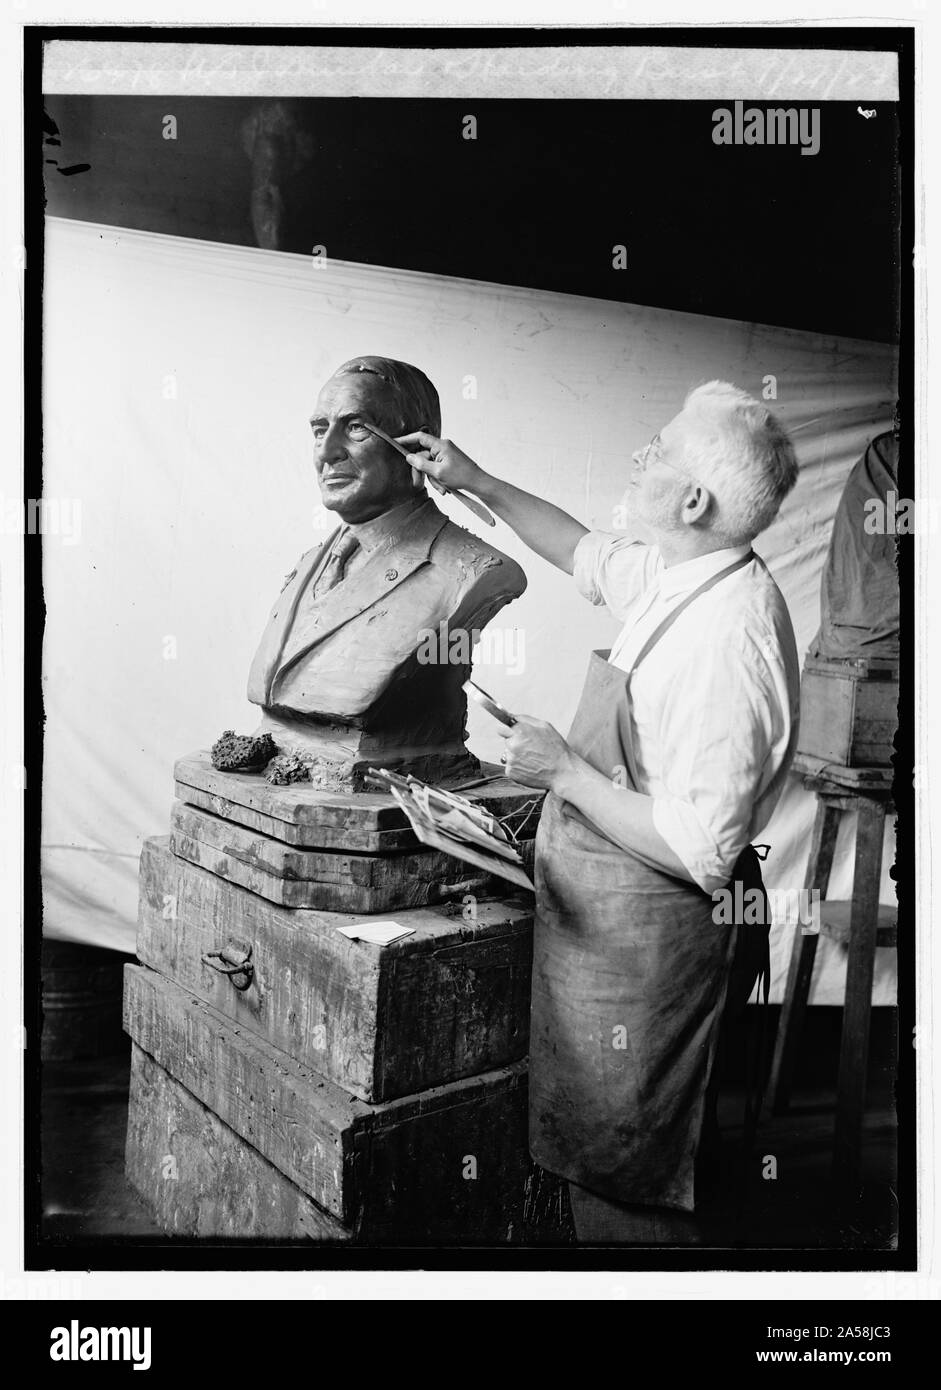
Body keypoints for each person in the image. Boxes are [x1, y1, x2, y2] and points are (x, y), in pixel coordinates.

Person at [399, 381, 801, 1243]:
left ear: (694, 500)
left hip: (653, 944)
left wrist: (565, 773)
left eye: (657, 448)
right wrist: (475, 478)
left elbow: (699, 851)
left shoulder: (727, 638)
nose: (638, 456)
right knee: (594, 1157)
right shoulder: (684, 572)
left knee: (633, 1173)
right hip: (608, 929)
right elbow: (582, 550)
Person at [247, 356, 526, 783]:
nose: (326, 451)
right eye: (320, 430)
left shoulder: (472, 570)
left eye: (356, 427)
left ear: (416, 445)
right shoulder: (310, 564)